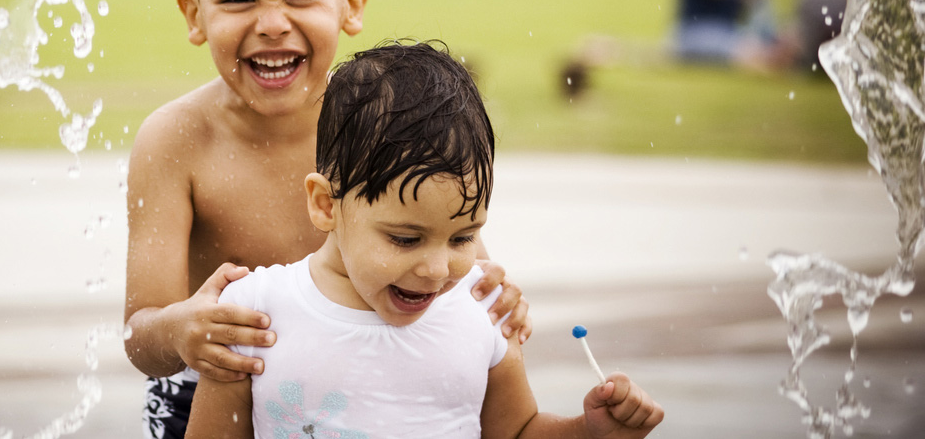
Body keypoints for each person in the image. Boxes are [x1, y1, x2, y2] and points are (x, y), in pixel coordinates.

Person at [124, 0, 533, 439]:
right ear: (196, 15)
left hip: (355, 384)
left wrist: (497, 298)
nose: (272, 23)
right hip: (211, 386)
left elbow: (452, 246)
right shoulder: (175, 141)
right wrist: (180, 331)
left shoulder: (380, 124)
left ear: (350, 4)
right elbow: (139, 334)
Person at [186, 41, 665, 438]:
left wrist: (588, 431)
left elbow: (516, 431)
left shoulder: (482, 309)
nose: (438, 271)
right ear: (326, 205)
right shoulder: (253, 317)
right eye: (405, 239)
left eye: (463, 238)